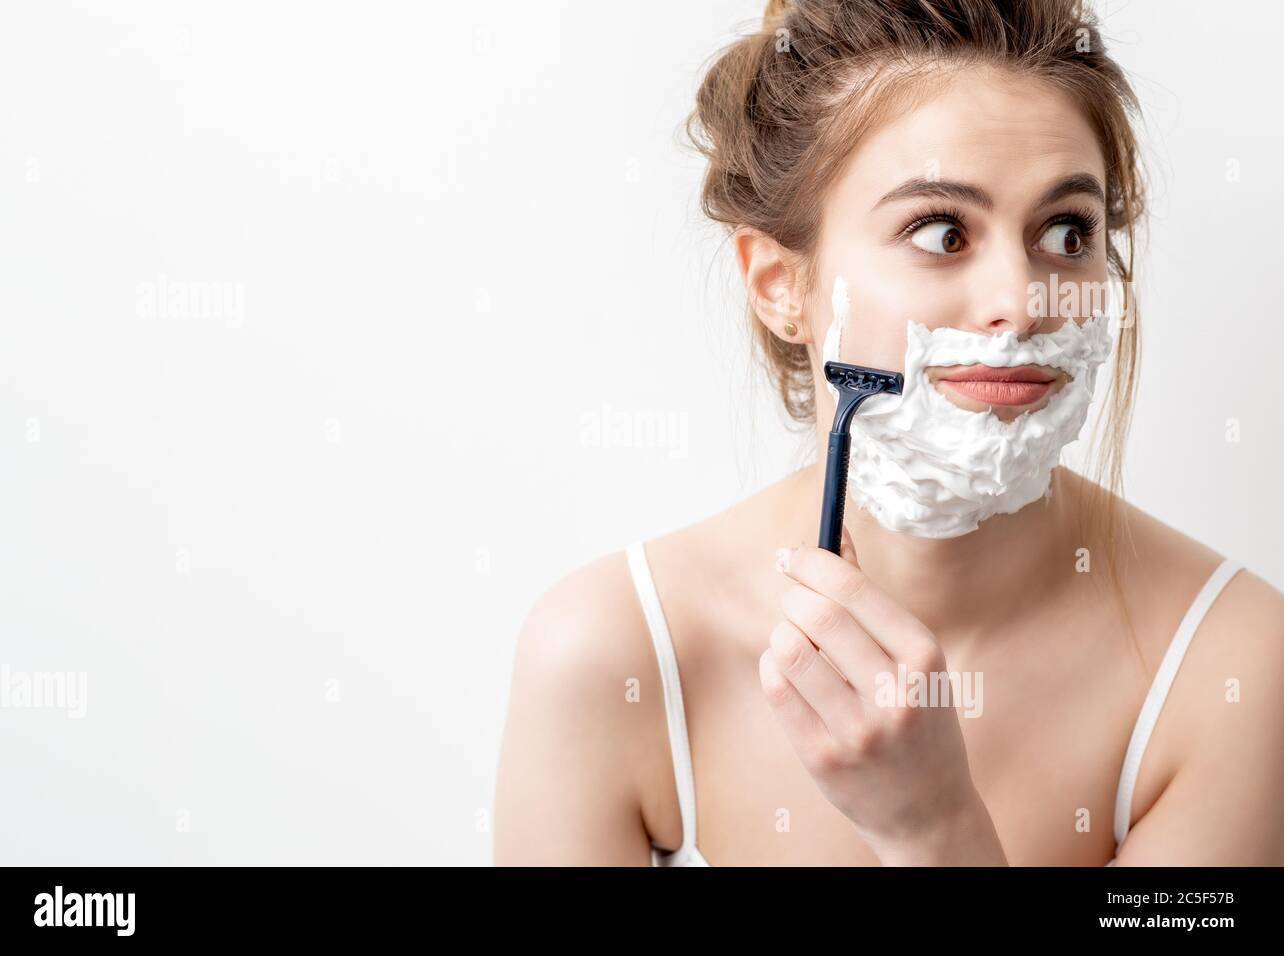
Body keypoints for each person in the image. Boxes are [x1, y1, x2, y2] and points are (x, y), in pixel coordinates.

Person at [493, 0, 1284, 866]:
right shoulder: (611, 653)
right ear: (780, 285)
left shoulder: (1237, 669)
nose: (1021, 303)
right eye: (941, 232)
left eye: (1067, 232)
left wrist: (934, 830)